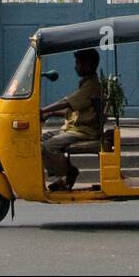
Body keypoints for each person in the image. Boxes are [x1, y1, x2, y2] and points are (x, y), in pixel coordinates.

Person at [40, 49, 102, 190]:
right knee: (41, 138)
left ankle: (66, 174)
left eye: (78, 63)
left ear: (89, 65)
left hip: (83, 132)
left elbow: (67, 102)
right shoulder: (86, 84)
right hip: (74, 129)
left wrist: (43, 110)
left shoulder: (91, 86)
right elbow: (73, 110)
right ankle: (66, 173)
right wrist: (51, 114)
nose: (75, 67)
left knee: (48, 146)